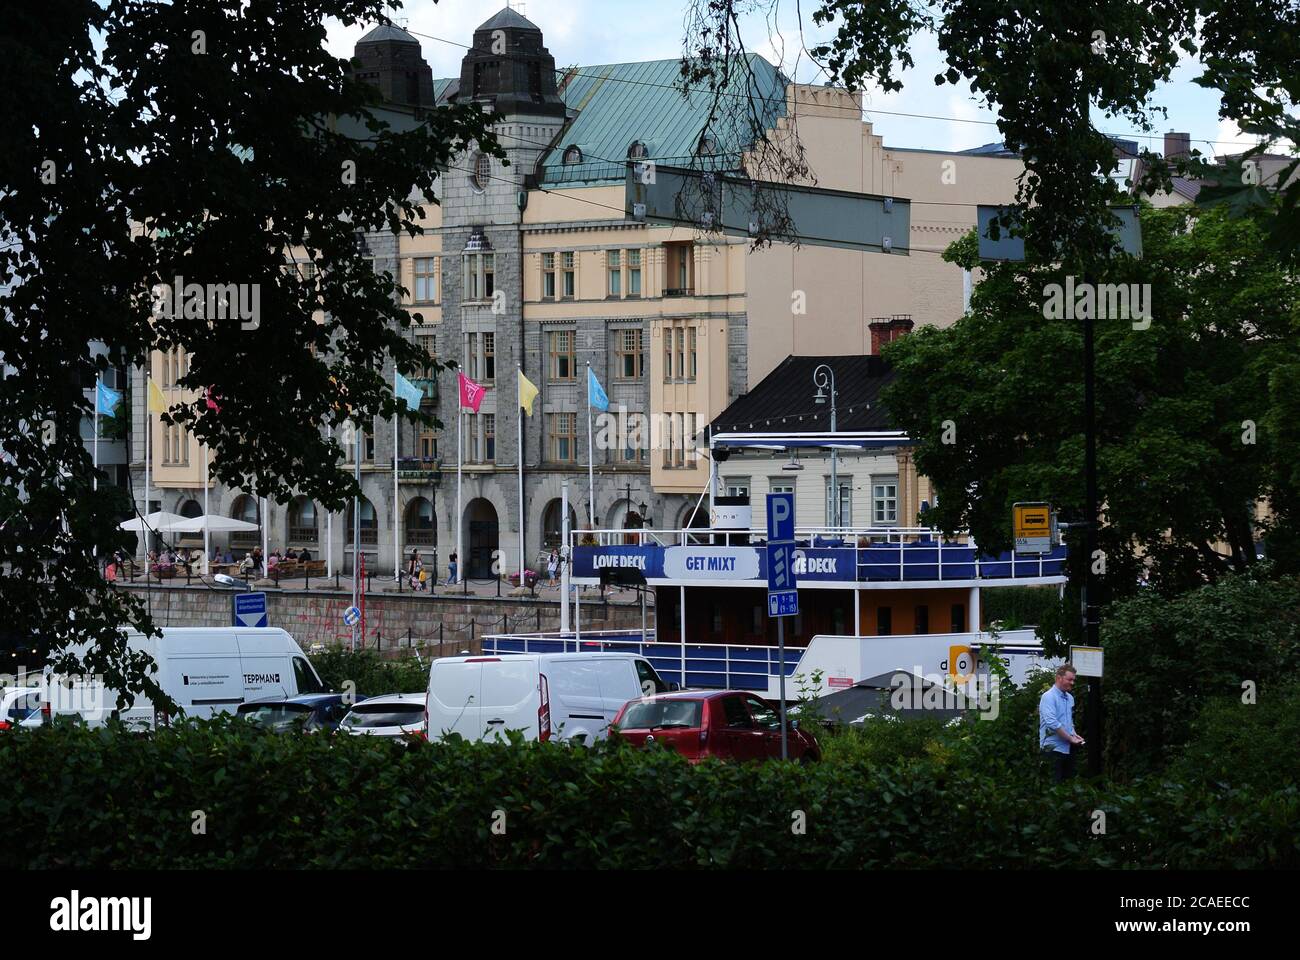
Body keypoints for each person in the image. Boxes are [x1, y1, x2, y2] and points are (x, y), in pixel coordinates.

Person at [1039, 663, 1085, 783]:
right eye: (1069, 679)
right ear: (1059, 678)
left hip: (1067, 748)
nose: (1072, 683)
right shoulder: (1048, 697)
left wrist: (1074, 735)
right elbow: (1052, 723)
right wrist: (1070, 738)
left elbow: (1069, 721)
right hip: (1052, 749)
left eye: (1073, 680)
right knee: (1052, 786)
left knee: (1067, 786)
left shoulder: (1070, 698)